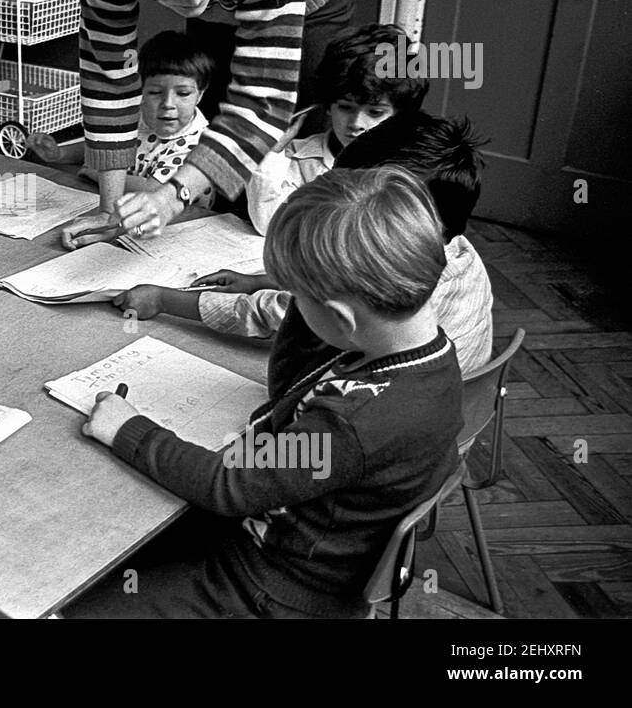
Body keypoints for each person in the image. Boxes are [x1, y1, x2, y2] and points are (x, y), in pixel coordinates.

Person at [72, 167, 463, 618]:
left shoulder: (353, 423)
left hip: (269, 585)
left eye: (294, 297)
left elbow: (228, 485)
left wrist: (128, 429)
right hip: (308, 551)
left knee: (77, 600)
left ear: (341, 318)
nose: (289, 305)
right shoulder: (427, 353)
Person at [63, 0, 353, 250]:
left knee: (281, 135)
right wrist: (111, 208)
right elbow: (107, 71)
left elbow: (262, 103)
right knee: (212, 104)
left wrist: (169, 197)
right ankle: (209, 235)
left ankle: (286, 250)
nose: (194, 2)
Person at [112, 112, 494, 375]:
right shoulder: (450, 250)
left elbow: (274, 314)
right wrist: (262, 278)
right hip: (454, 415)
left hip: (404, 443)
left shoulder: (399, 281)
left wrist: (164, 300)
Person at [245, 24, 426, 234]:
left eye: (375, 112)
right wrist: (273, 153)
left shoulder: (413, 165)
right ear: (328, 106)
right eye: (345, 107)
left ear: (398, 115)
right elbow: (269, 225)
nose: (356, 123)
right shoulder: (296, 157)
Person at [31, 30, 213, 196]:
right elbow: (102, 147)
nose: (168, 104)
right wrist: (59, 154)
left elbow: (154, 189)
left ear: (200, 95)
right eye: (155, 93)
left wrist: (97, 173)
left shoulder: (199, 143)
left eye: (182, 94)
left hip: (184, 220)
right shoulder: (135, 117)